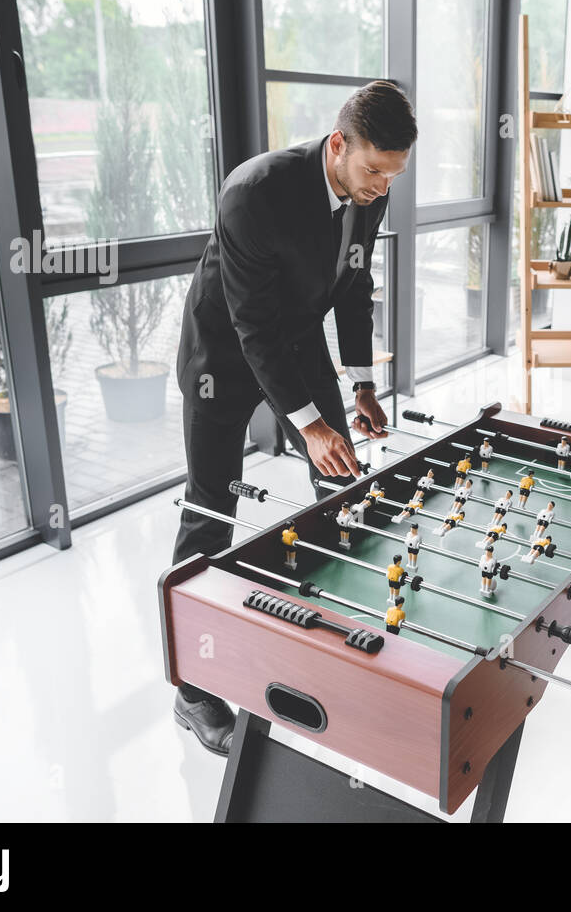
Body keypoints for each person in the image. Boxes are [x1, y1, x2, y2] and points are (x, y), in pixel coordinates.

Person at [169, 81, 417, 756]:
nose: (379, 188)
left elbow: (355, 284)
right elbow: (252, 327)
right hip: (224, 353)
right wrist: (309, 423)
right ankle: (192, 690)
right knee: (211, 507)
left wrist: (362, 385)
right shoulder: (253, 192)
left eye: (392, 176)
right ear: (338, 145)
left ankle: (340, 637)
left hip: (300, 345)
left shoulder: (374, 189)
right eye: (371, 171)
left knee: (341, 485)